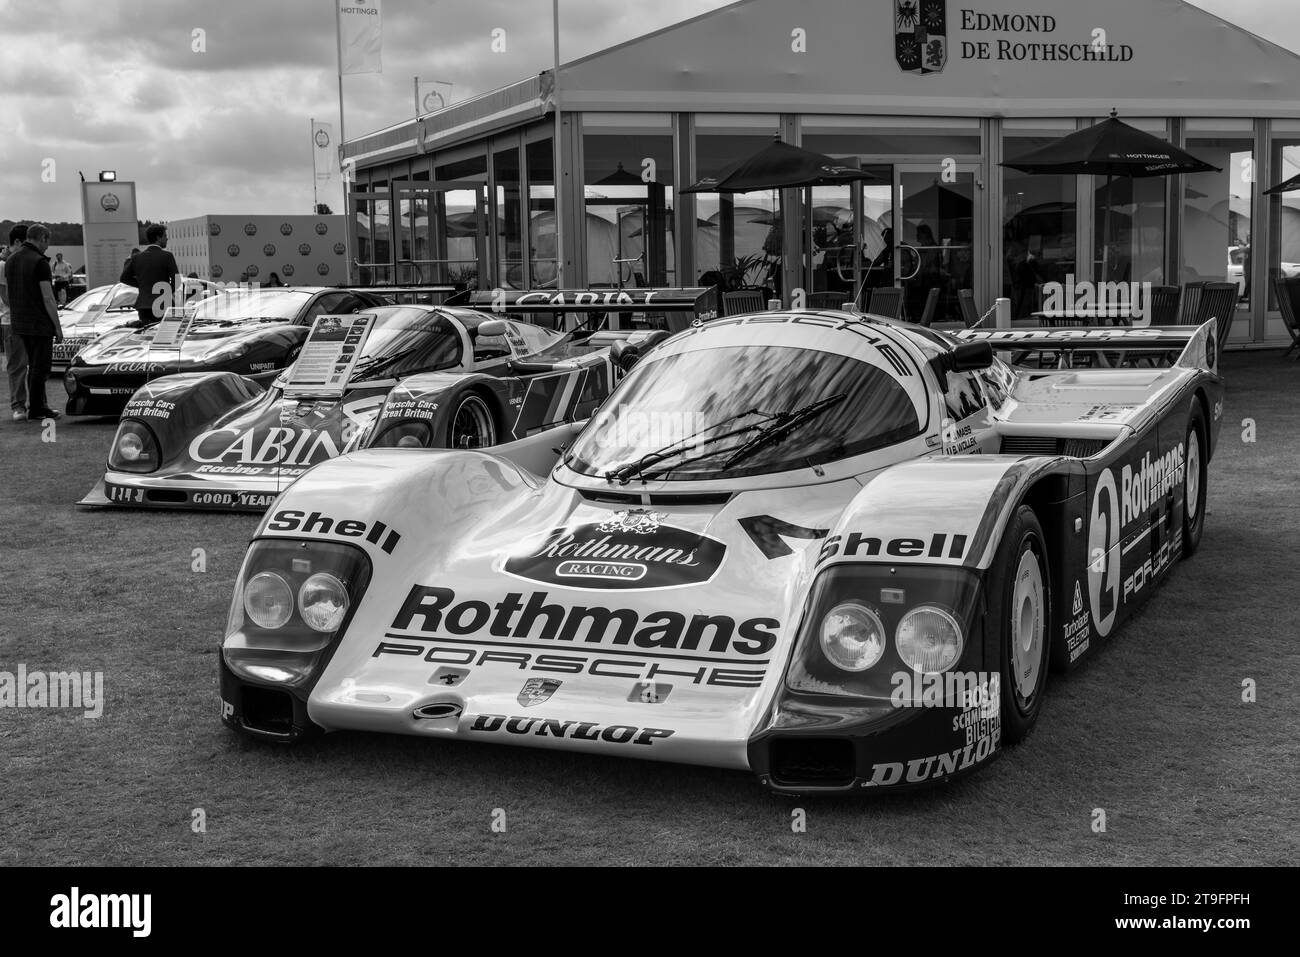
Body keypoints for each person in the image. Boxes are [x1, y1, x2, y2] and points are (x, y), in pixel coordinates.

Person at [3, 222, 63, 421]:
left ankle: (31, 406)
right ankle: (37, 408)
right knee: (41, 367)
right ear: (42, 238)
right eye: (47, 242)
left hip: (19, 322)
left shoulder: (11, 261)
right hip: (39, 323)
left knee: (27, 367)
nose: (47, 247)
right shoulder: (40, 262)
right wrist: (57, 326)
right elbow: (48, 298)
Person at [120, 225, 179, 327]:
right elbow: (177, 282)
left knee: (146, 336)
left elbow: (124, 278)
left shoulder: (137, 257)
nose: (167, 238)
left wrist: (142, 285)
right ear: (158, 238)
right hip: (162, 304)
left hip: (143, 305)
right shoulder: (167, 256)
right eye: (165, 236)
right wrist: (165, 291)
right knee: (163, 336)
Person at [1, 224, 31, 421]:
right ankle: (18, 406)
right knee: (17, 365)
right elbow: (5, 296)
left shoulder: (24, 261)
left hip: (29, 319)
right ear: (18, 242)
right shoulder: (4, 265)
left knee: (34, 365)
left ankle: (34, 404)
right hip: (12, 320)